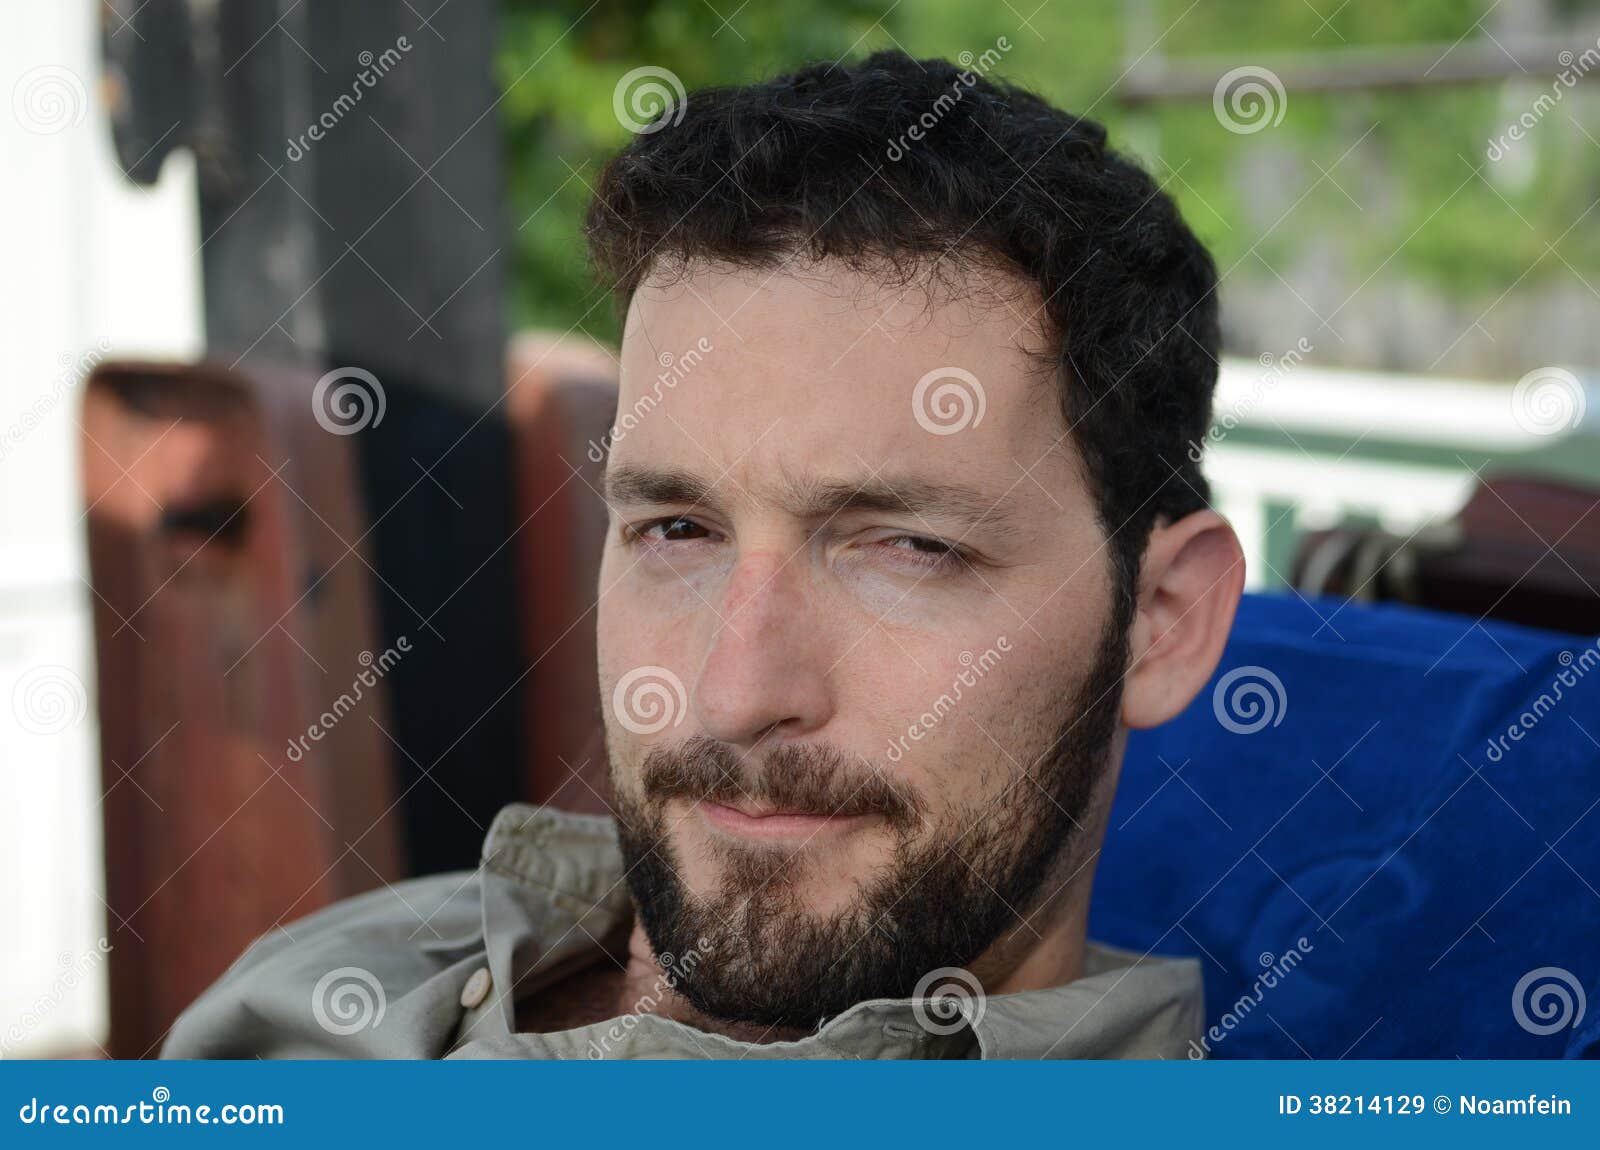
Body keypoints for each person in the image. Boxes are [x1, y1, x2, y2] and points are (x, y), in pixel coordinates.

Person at [164, 48, 1243, 1060]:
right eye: (677, 529)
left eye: (909, 548)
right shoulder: (327, 974)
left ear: (1163, 621)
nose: (732, 696)